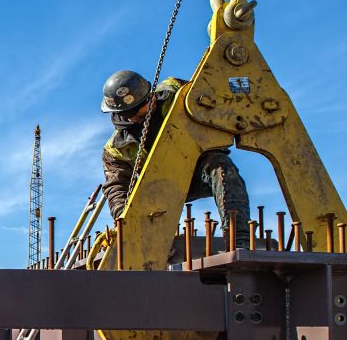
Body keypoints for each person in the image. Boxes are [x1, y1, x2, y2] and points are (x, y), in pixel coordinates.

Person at [100, 69, 251, 248]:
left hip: (199, 168)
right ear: (124, 114)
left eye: (148, 100)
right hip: (162, 186)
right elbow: (117, 187)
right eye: (138, 112)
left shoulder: (174, 90)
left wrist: (243, 85)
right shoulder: (116, 149)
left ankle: (238, 240)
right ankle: (158, 248)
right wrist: (125, 220)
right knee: (141, 205)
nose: (149, 105)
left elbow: (212, 91)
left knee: (221, 167)